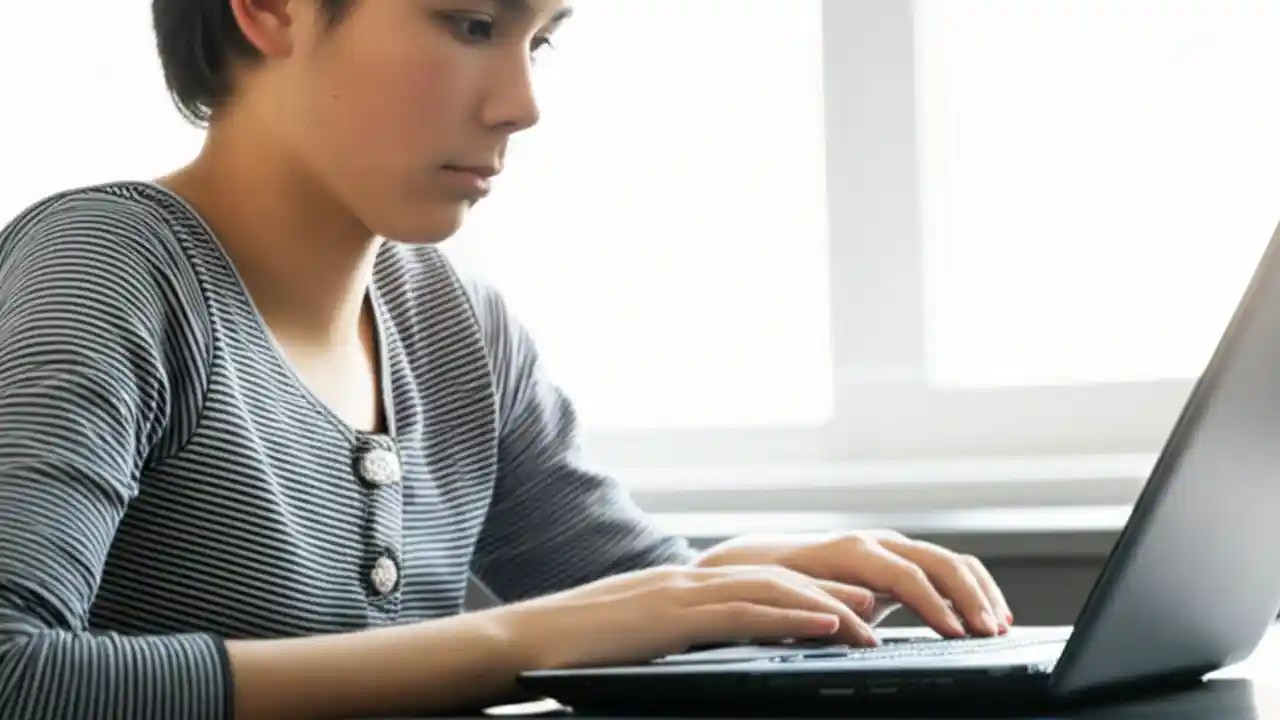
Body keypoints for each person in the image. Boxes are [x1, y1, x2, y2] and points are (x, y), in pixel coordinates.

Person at [0, 1, 1014, 717]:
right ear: (269, 8)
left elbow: (619, 599)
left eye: (541, 39)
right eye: (472, 25)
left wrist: (749, 578)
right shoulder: (109, 271)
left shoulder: (454, 325)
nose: (521, 103)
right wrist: (513, 644)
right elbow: (15, 675)